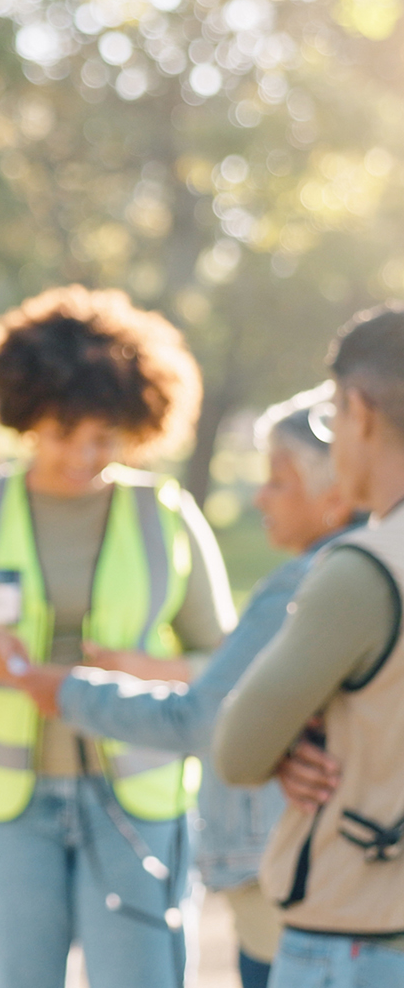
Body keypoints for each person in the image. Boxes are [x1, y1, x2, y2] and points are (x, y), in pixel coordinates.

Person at [0, 285, 236, 988]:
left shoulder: (168, 516)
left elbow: (228, 671)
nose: (84, 454)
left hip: (140, 806)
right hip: (2, 816)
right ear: (26, 418)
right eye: (63, 432)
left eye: (105, 436)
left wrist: (149, 667)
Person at [5, 384, 361, 988]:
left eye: (276, 480)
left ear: (333, 496)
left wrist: (65, 691)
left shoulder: (302, 583)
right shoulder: (365, 566)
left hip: (288, 896)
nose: (260, 496)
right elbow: (257, 683)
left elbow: (200, 720)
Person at [215, 306, 404, 985]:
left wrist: (287, 747)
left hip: (357, 934)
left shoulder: (364, 571)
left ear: (359, 410)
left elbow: (238, 748)